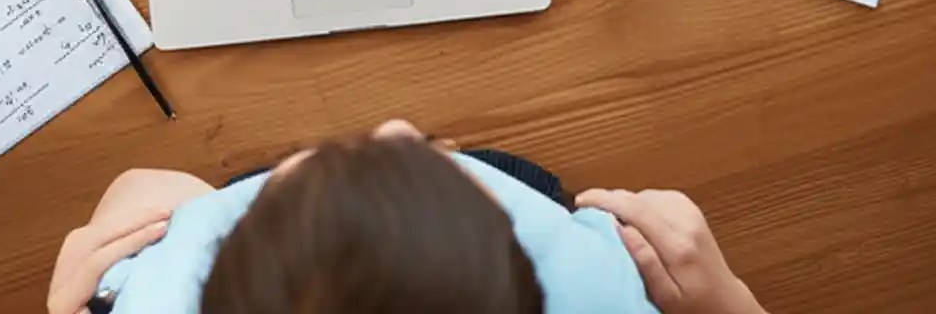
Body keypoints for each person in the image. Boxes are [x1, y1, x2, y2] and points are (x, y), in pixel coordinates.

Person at [48, 120, 767, 314]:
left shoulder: (159, 295)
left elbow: (143, 189)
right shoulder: (602, 280)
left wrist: (117, 286)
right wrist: (727, 303)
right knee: (521, 174)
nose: (396, 127)